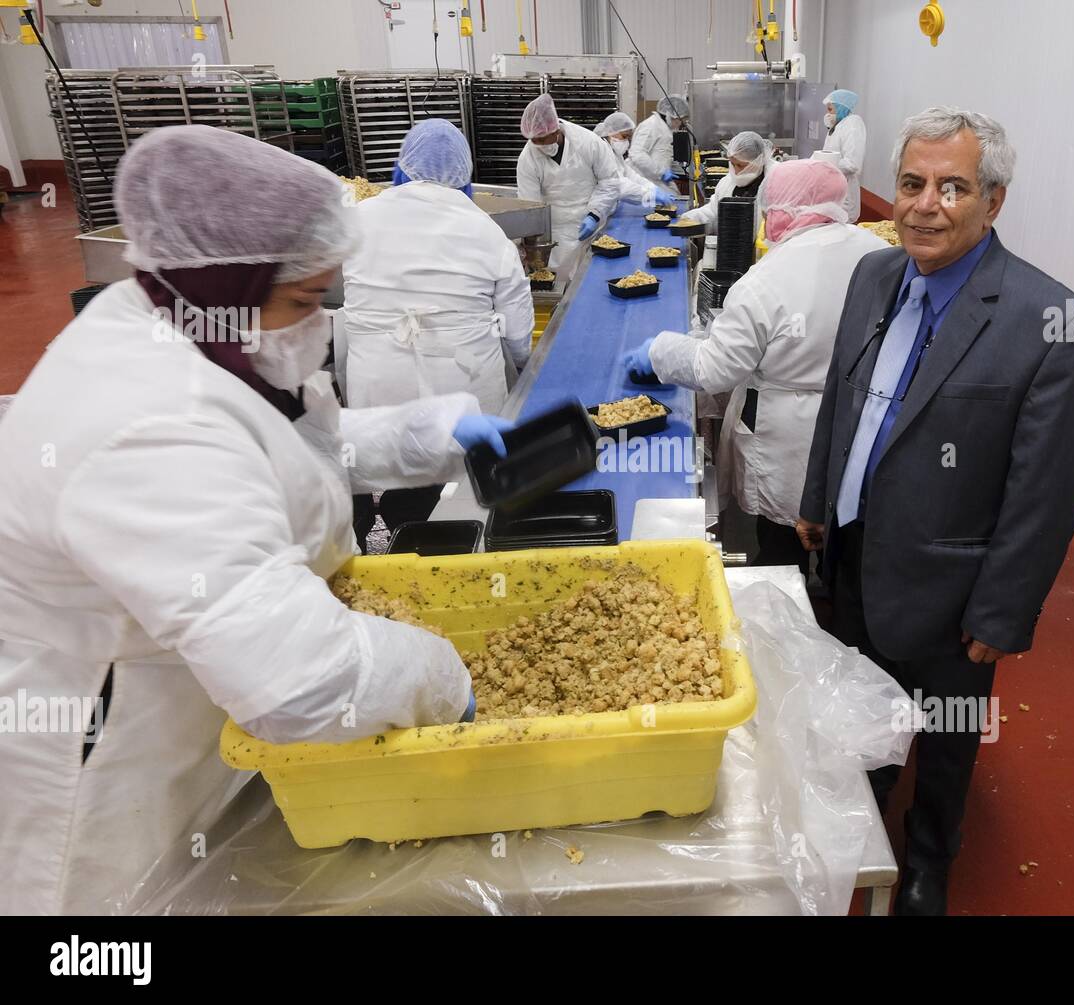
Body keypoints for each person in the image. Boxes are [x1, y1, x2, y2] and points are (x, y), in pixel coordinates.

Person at [0, 125, 513, 914]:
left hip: (212, 711)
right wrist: (442, 676)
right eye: (305, 300)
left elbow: (278, 455)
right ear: (231, 283)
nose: (319, 323)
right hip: (121, 770)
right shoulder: (143, 419)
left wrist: (424, 438)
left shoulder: (198, 330)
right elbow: (298, 679)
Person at [797, 107, 1074, 915]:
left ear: (993, 201)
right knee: (858, 701)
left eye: (952, 187)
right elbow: (844, 397)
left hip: (955, 589)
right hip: (856, 552)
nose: (925, 204)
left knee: (950, 735)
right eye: (911, 183)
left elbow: (1046, 492)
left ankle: (931, 858)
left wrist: (1003, 612)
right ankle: (861, 817)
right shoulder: (874, 275)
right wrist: (820, 498)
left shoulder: (1049, 323)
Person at [623, 160, 888, 571]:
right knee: (850, 539)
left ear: (779, 211)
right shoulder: (881, 256)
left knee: (784, 546)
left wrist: (660, 351)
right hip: (862, 423)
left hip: (788, 434)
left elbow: (715, 370)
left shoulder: (768, 278)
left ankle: (788, 605)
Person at [342, 118, 533, 550]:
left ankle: (403, 536)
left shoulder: (356, 219)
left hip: (378, 378)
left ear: (401, 167)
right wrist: (524, 368)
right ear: (464, 176)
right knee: (463, 485)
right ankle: (460, 547)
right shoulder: (487, 231)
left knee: (396, 464)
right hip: (463, 380)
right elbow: (518, 327)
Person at [515, 93, 621, 280]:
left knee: (590, 282)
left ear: (555, 131)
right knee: (561, 288)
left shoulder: (588, 142)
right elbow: (530, 206)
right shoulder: (527, 158)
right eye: (533, 140)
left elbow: (609, 182)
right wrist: (529, 246)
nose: (537, 145)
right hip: (556, 236)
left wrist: (594, 214)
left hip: (590, 227)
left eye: (542, 139)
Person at [678, 131, 770, 235]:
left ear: (758, 161)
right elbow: (714, 211)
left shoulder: (775, 183)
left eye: (741, 165)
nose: (736, 171)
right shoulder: (727, 183)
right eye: (732, 164)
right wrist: (691, 218)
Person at [594, 110, 677, 209]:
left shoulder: (615, 153)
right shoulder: (600, 152)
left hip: (606, 207)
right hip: (593, 209)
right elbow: (619, 186)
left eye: (629, 138)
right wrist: (649, 194)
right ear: (610, 132)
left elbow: (630, 175)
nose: (626, 141)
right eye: (624, 136)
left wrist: (653, 188)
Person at [820, 88, 866, 223]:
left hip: (844, 195)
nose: (827, 114)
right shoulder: (837, 126)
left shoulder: (853, 124)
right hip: (832, 192)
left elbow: (852, 164)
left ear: (841, 108)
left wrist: (825, 163)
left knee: (843, 230)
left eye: (830, 109)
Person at [629, 94, 689, 188]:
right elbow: (637, 154)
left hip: (657, 179)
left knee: (673, 195)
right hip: (644, 180)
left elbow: (662, 153)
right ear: (670, 115)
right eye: (680, 120)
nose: (680, 125)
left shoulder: (665, 128)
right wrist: (661, 172)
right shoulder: (651, 125)